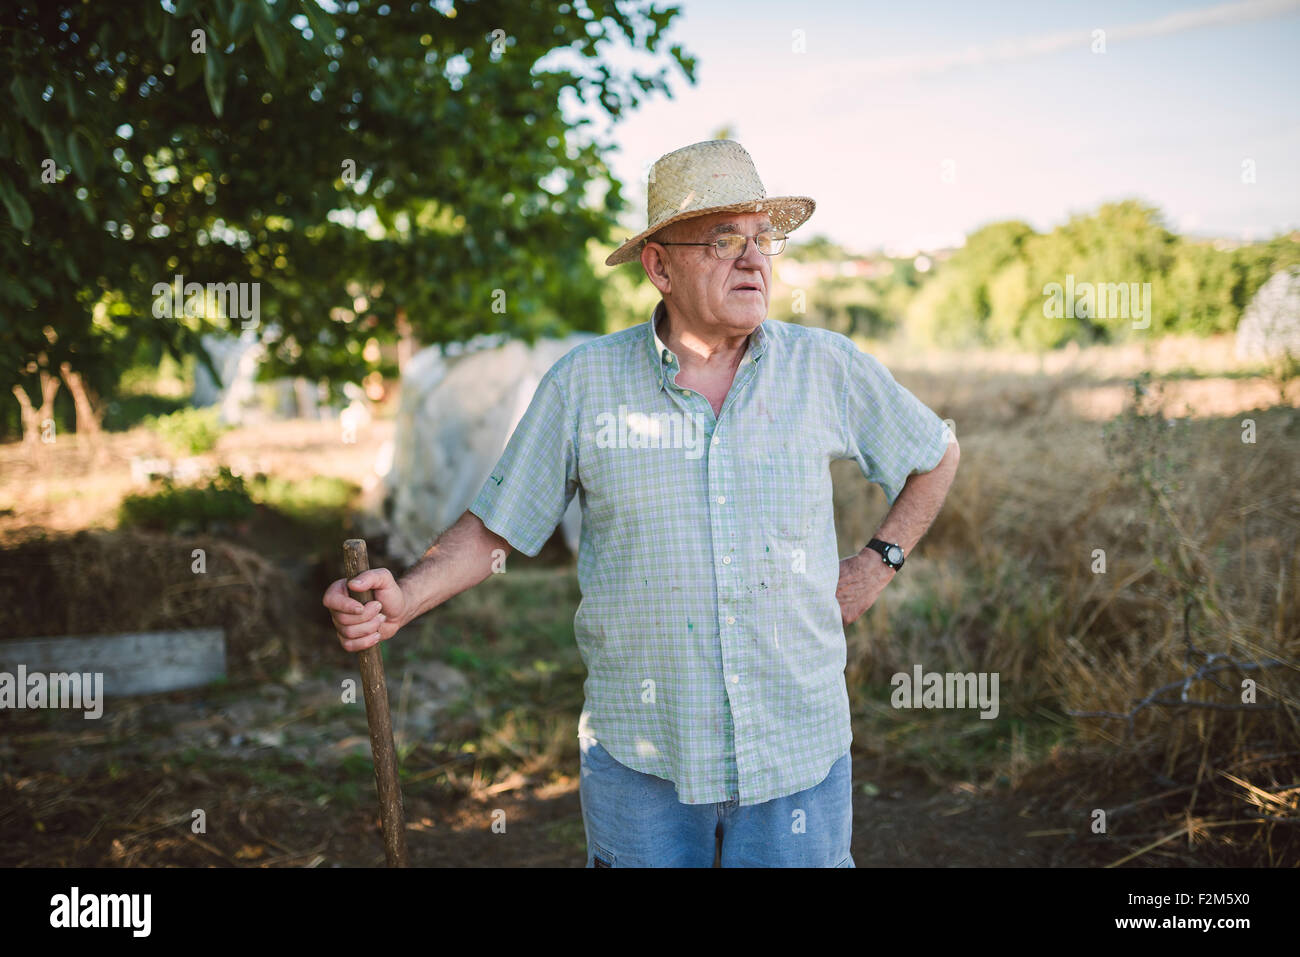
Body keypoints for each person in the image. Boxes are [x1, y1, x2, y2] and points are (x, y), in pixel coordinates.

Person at [323, 139, 960, 867]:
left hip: (796, 757)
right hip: (644, 763)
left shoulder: (827, 367)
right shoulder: (582, 384)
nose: (753, 259)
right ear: (658, 265)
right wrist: (403, 596)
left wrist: (878, 562)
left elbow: (936, 455)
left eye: (762, 238)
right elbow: (494, 529)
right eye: (723, 240)